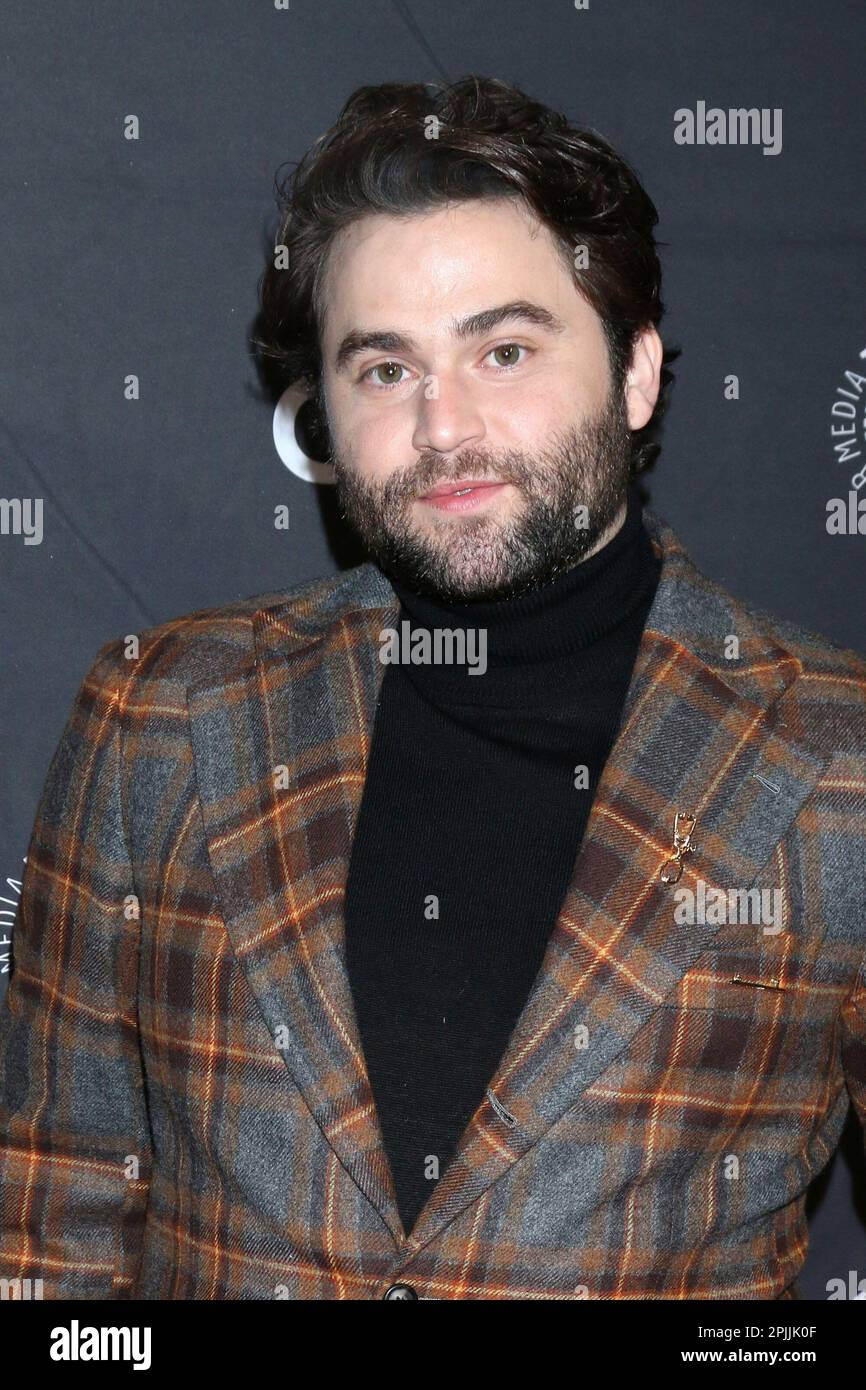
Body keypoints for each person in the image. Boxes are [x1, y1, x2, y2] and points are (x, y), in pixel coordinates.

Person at [1, 75, 864, 1301]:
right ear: (325, 415)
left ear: (634, 373)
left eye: (502, 350)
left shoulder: (836, 764)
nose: (442, 426)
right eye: (383, 370)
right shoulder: (163, 716)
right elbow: (44, 1212)